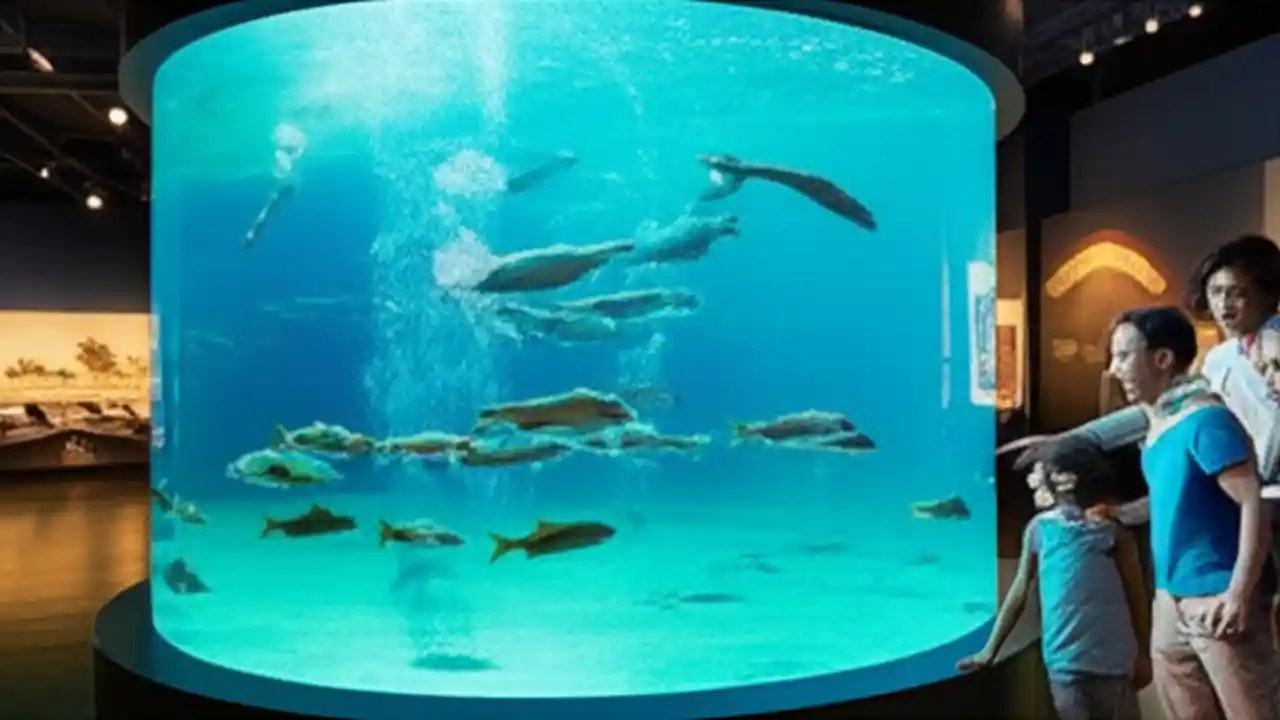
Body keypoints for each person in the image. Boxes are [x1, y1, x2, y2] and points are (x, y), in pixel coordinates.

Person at [1105, 306, 1278, 718]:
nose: (1114, 369)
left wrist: (1238, 593)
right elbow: (1176, 498)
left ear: (1163, 359)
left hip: (1215, 593)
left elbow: (1251, 501)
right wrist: (1119, 513)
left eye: (1124, 356)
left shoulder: (1205, 419)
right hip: (1171, 594)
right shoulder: (1160, 424)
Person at [959, 435, 1149, 720]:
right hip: (1064, 663)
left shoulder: (1114, 534)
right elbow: (1019, 590)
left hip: (1113, 665)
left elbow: (1136, 595)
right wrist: (989, 650)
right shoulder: (1040, 529)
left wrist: (1144, 654)